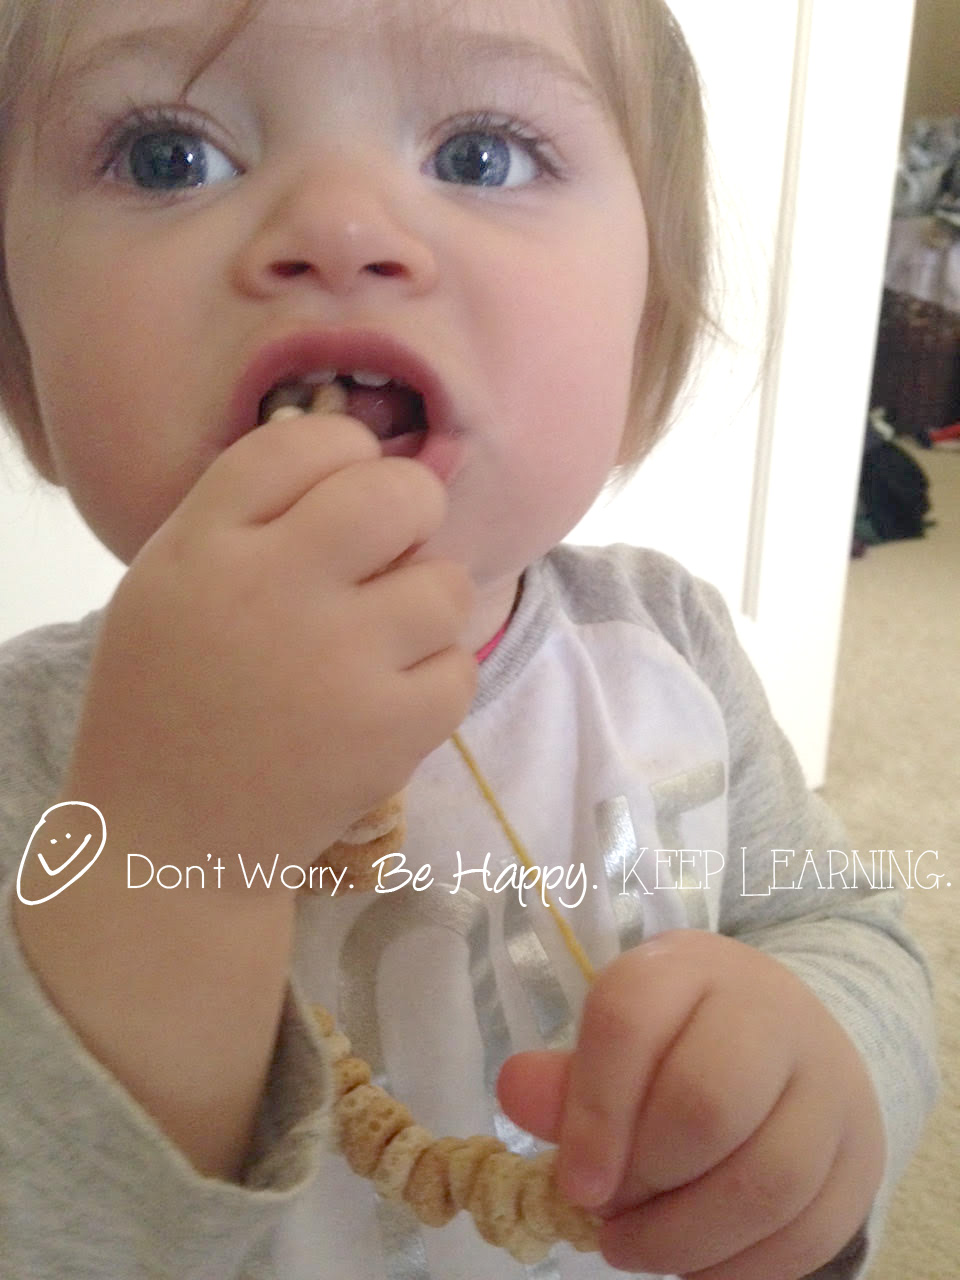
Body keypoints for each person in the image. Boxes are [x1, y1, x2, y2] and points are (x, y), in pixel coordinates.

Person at [0, 1, 938, 1277]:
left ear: (643, 329)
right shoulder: (33, 755)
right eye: (168, 155)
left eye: (480, 154)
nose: (337, 227)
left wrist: (822, 1076)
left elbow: (843, 928)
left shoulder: (671, 650)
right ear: (22, 356)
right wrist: (177, 847)